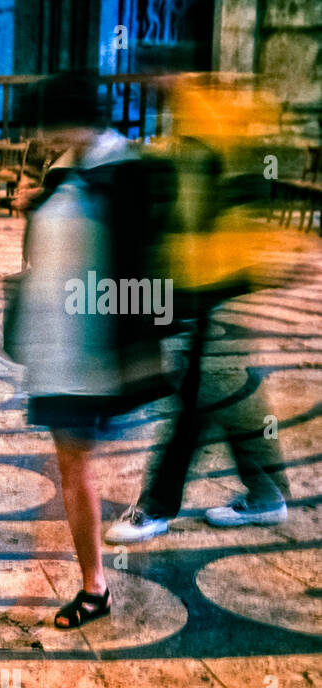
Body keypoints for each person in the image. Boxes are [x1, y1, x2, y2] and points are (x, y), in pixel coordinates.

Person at [6, 73, 175, 627]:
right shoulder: (65, 170)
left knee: (77, 465)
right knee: (72, 464)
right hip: (55, 347)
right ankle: (93, 581)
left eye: (50, 128)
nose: (45, 140)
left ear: (73, 120)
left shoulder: (122, 172)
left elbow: (145, 264)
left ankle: (95, 586)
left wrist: (141, 342)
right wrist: (34, 206)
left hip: (91, 351)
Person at [105, 74, 290, 543]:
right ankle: (265, 493)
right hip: (207, 285)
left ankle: (157, 507)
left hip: (215, 284)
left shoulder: (208, 123)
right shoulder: (197, 130)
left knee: (201, 397)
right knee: (214, 397)